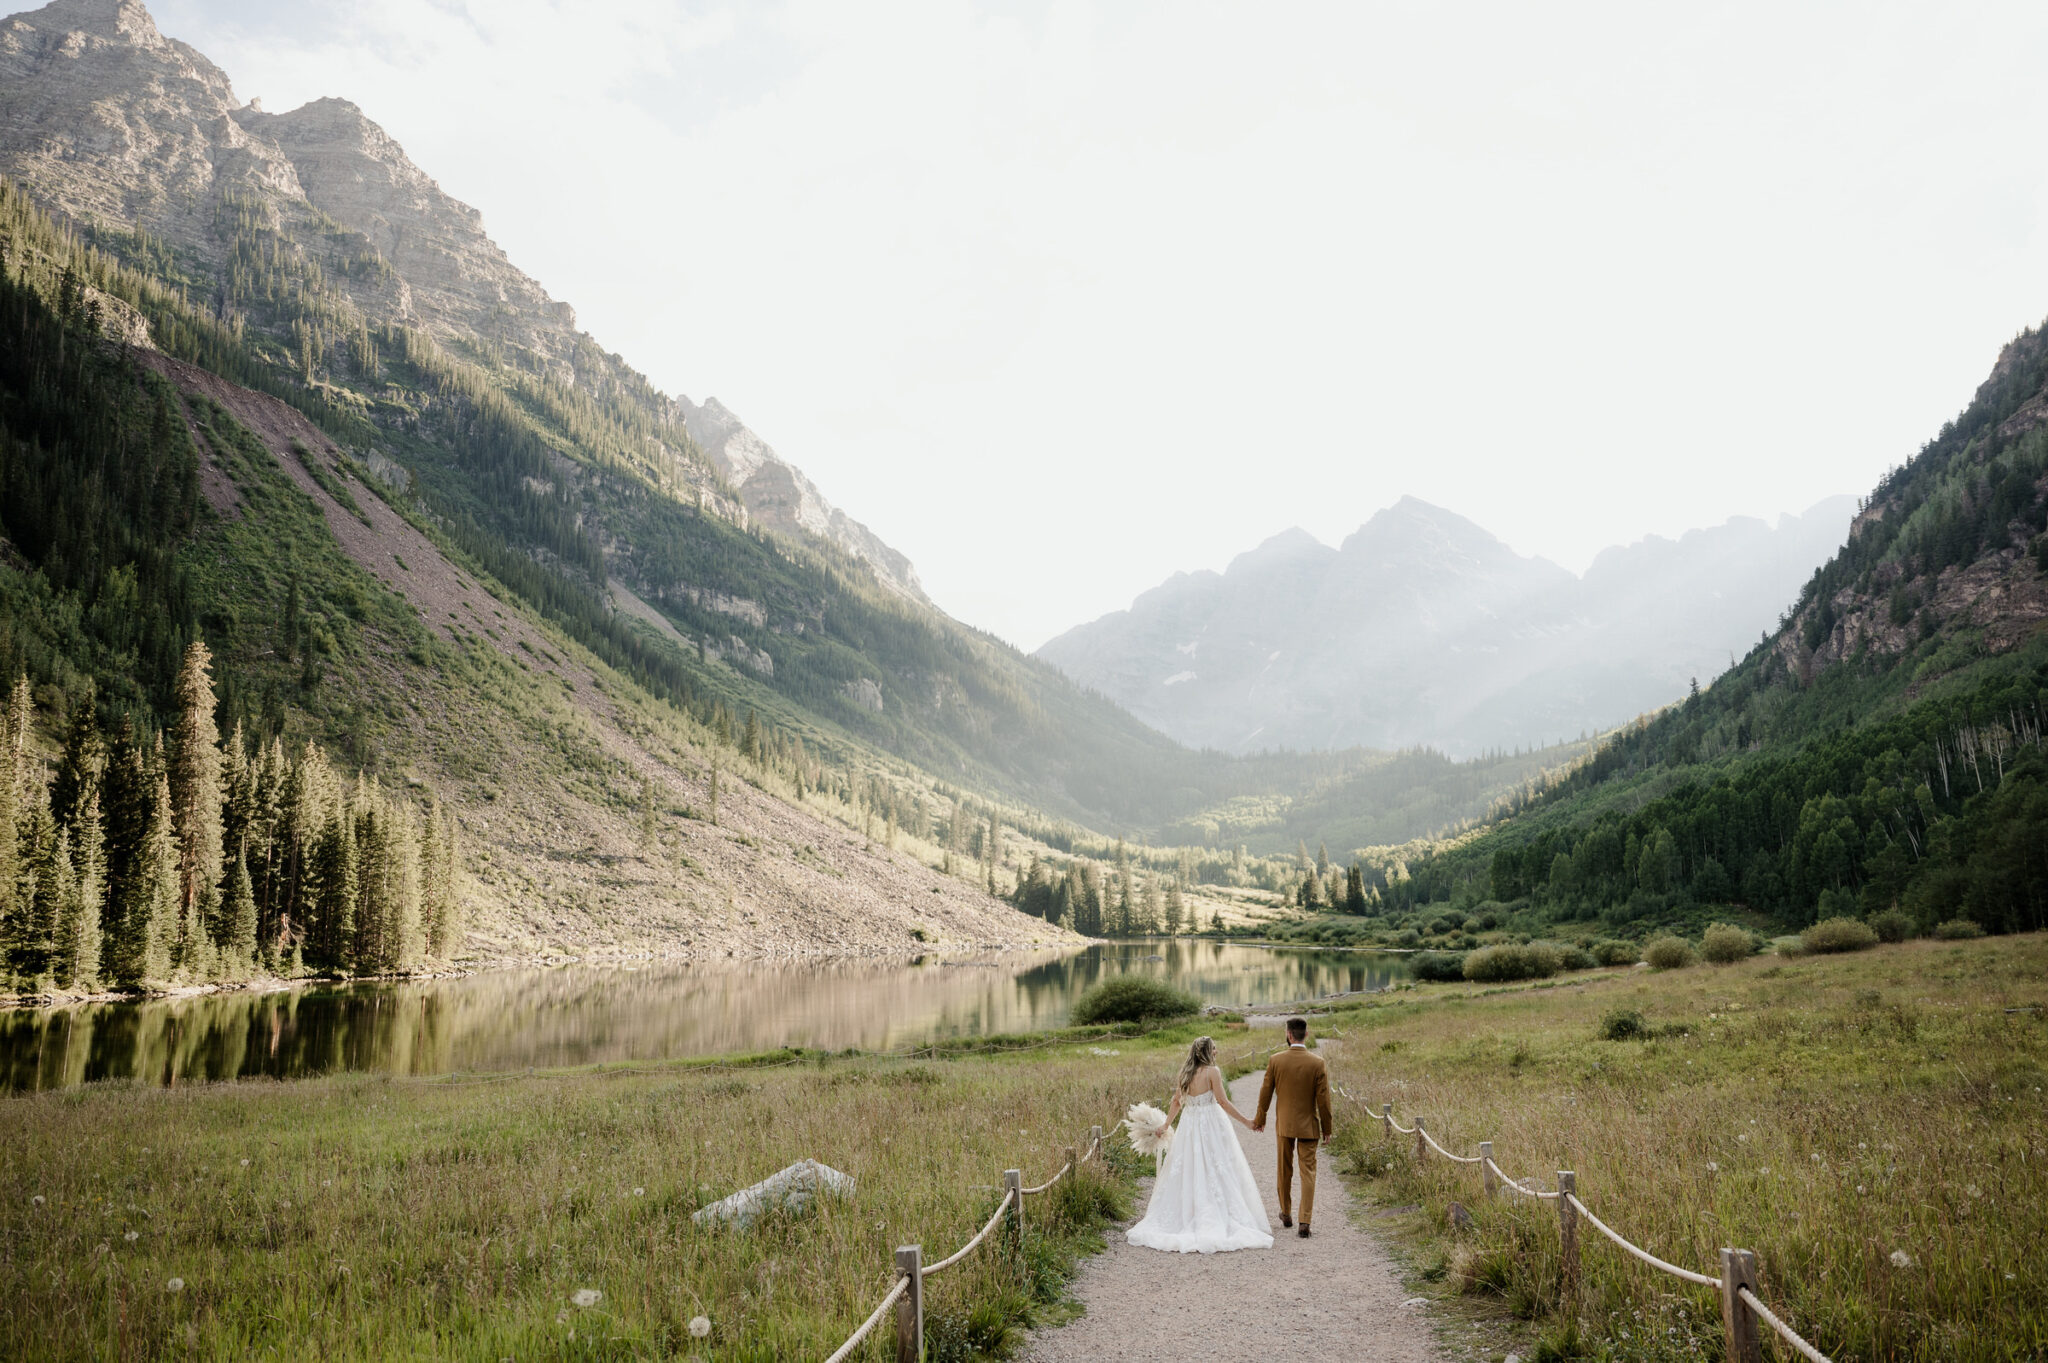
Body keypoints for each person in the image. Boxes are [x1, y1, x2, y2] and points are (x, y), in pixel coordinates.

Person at [1125, 1036, 1274, 1253]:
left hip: (1190, 1124)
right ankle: (1214, 1212)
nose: (1217, 1051)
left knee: (1190, 1166)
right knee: (1217, 1165)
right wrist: (1247, 1123)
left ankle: (1190, 1211)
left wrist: (1166, 1124)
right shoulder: (1213, 1072)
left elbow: (1176, 1101)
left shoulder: (1185, 1073)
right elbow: (1222, 1102)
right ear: (1206, 1052)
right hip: (1211, 1123)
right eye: (1214, 1048)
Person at [1252, 1016, 1333, 1238]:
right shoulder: (1317, 1063)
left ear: (1288, 1034)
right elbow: (1323, 1101)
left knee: (1284, 1169)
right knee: (1308, 1172)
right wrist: (1327, 1128)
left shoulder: (1276, 1060)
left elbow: (1265, 1092)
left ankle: (1285, 1212)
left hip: (1285, 1125)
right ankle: (1304, 1220)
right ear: (1306, 1034)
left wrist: (1260, 1118)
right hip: (1309, 1127)